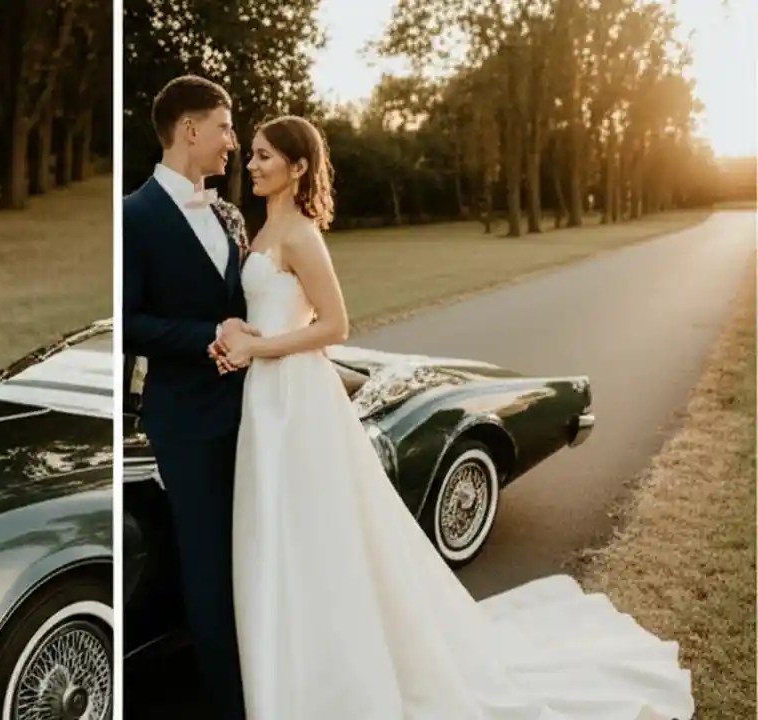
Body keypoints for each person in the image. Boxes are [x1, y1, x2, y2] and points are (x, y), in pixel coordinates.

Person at [217, 114, 695, 719]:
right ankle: (286, 658)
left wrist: (259, 346)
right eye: (252, 154)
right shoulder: (263, 230)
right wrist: (235, 329)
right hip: (265, 397)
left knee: (312, 530)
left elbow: (335, 326)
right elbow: (266, 308)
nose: (252, 164)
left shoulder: (302, 235)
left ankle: (330, 674)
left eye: (263, 156)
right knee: (278, 529)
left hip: (297, 400)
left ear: (299, 167)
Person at [122, 74, 255, 720]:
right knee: (208, 570)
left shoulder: (226, 213)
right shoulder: (133, 216)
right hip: (187, 424)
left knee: (252, 554)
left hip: (251, 415)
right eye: (226, 127)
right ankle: (229, 704)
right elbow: (126, 324)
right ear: (191, 130)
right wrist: (209, 336)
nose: (233, 141)